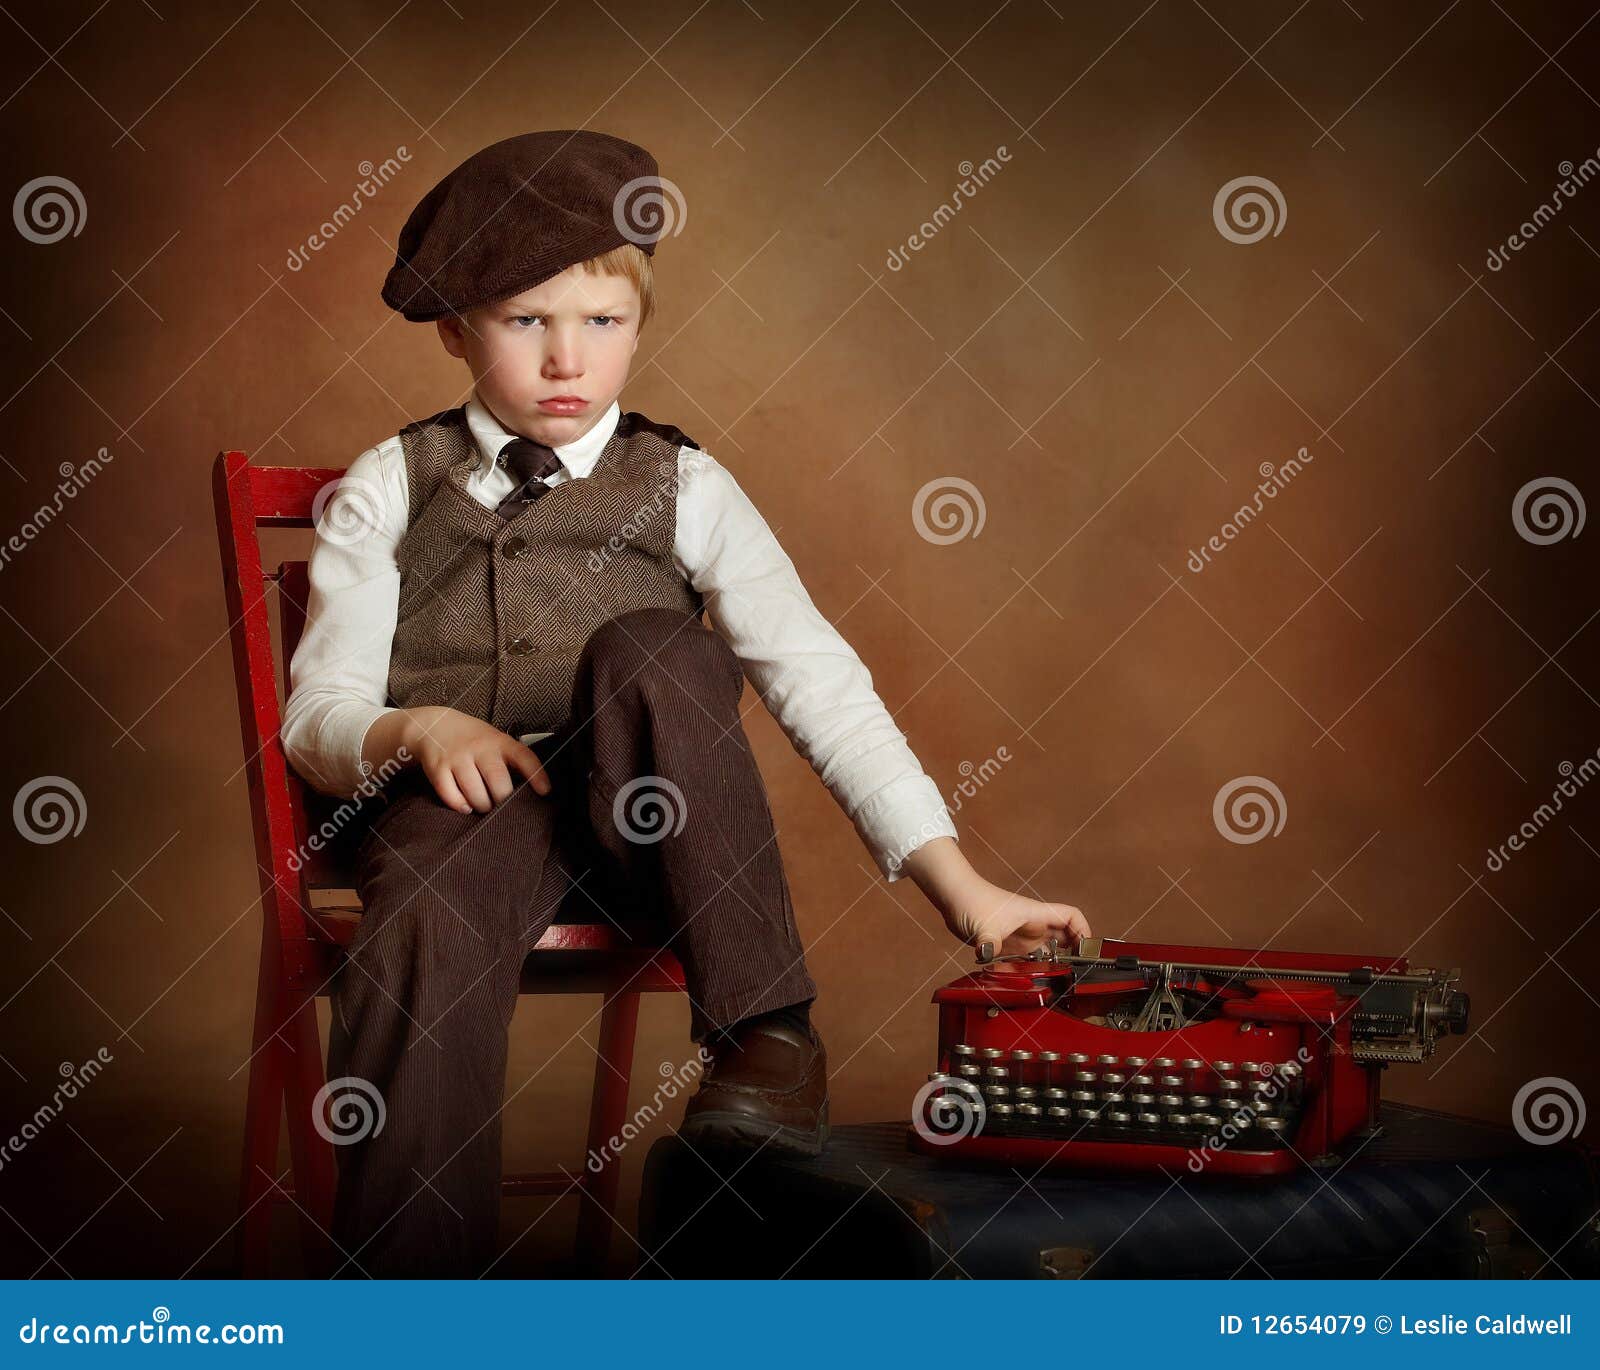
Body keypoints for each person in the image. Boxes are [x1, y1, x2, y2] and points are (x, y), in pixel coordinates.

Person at [280, 129, 1091, 1276]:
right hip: (462, 811)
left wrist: (958, 883)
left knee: (657, 646)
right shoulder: (391, 482)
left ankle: (767, 1033)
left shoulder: (686, 483)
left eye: (600, 323)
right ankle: (406, 1295)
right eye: (524, 322)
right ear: (458, 331)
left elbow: (817, 680)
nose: (567, 357)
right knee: (421, 929)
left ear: (638, 327)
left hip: (644, 829)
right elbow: (317, 715)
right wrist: (414, 726)